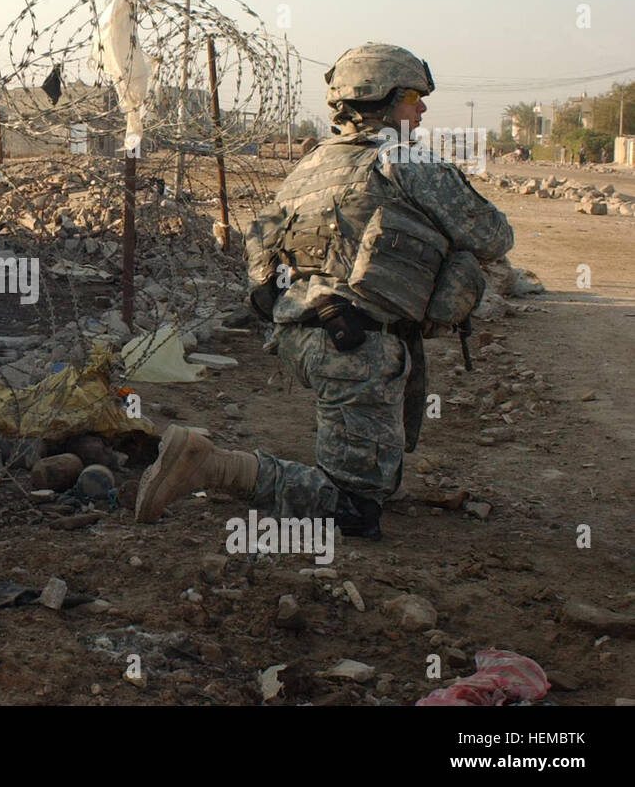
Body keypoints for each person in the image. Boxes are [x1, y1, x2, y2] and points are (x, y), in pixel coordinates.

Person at [135, 43, 514, 538]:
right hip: (357, 346)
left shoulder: (310, 166)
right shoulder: (405, 161)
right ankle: (210, 466)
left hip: (304, 335)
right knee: (355, 509)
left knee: (376, 474)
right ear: (383, 99)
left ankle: (357, 475)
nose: (421, 109)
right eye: (413, 97)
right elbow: (493, 236)